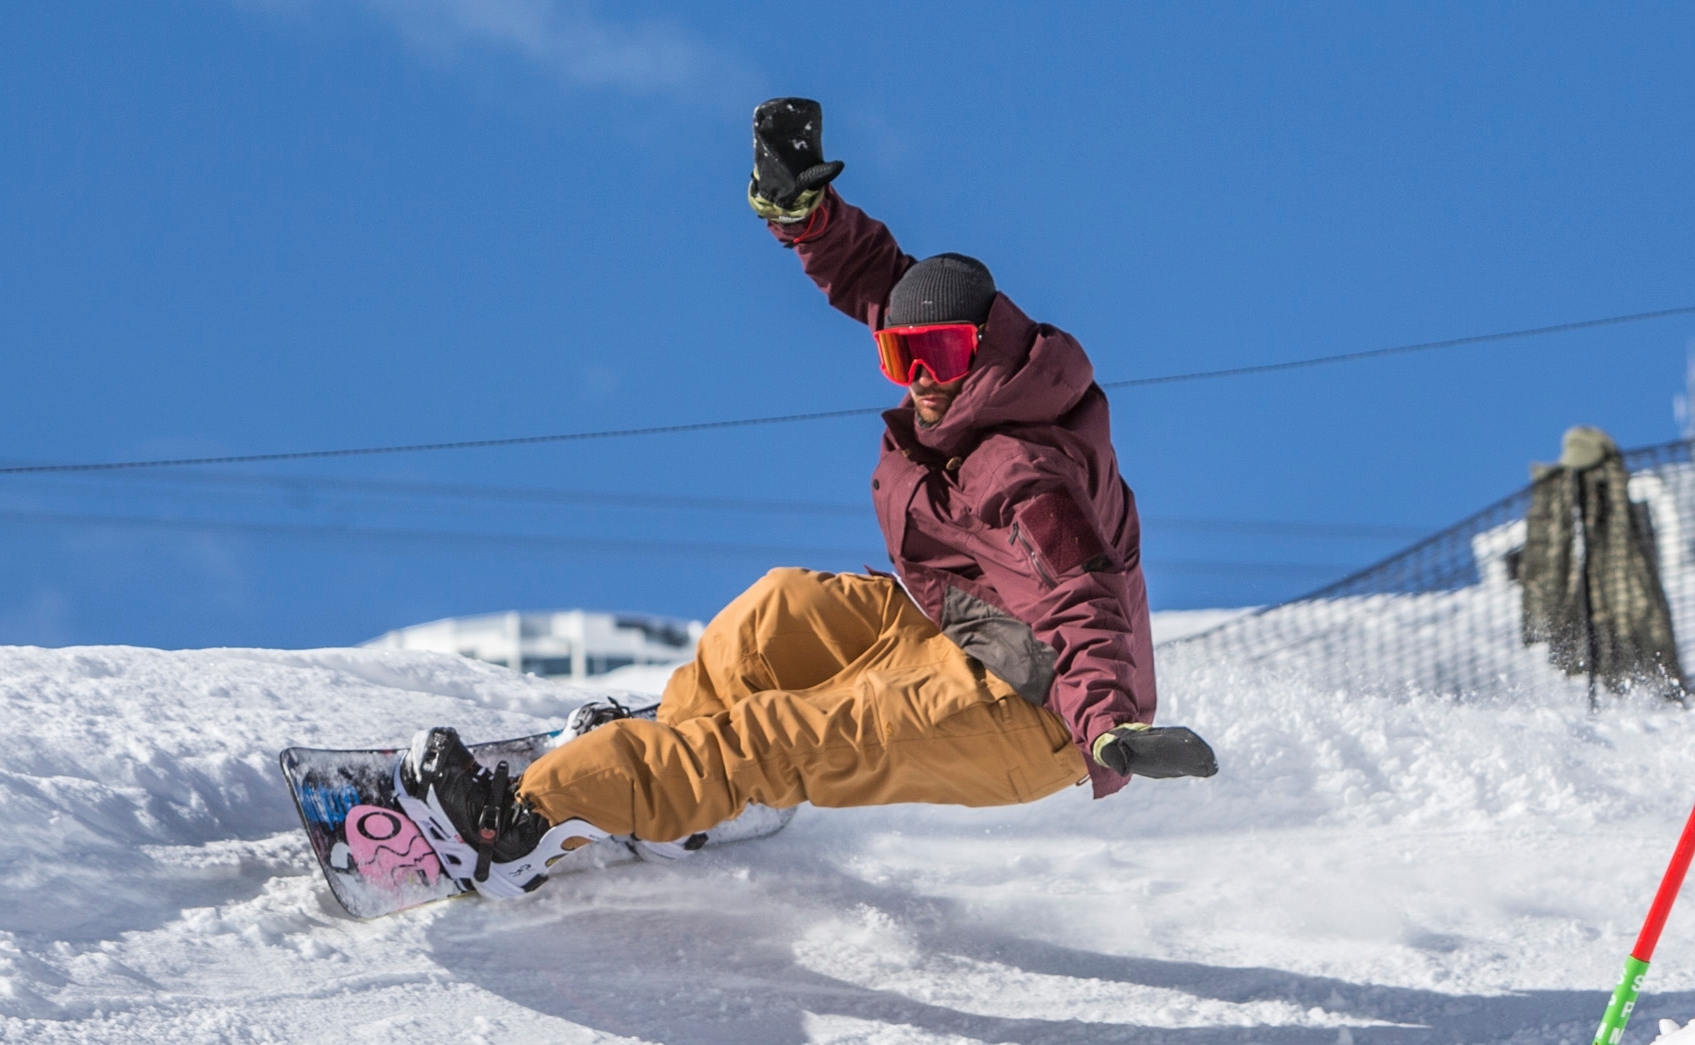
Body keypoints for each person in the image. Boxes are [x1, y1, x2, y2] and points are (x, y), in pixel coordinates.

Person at [402, 97, 1218, 894]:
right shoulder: (991, 367)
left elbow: (1087, 600)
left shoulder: (1023, 470)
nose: (923, 382)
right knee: (776, 612)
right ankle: (680, 789)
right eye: (903, 357)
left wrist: (1109, 726)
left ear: (983, 346)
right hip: (967, 639)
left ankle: (519, 825)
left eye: (936, 355)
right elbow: (876, 276)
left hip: (1036, 708)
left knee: (775, 735)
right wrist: (803, 210)